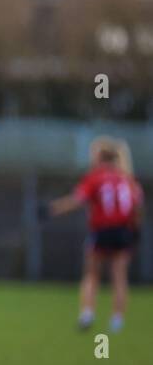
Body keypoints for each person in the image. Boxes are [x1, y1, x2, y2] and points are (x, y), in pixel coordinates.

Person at [40, 136, 143, 332]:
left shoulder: (95, 177)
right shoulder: (127, 179)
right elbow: (137, 208)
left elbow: (76, 200)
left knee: (91, 274)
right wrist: (135, 231)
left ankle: (87, 313)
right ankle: (117, 322)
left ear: (99, 157)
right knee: (119, 277)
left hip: (101, 230)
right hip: (123, 231)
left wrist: (51, 209)